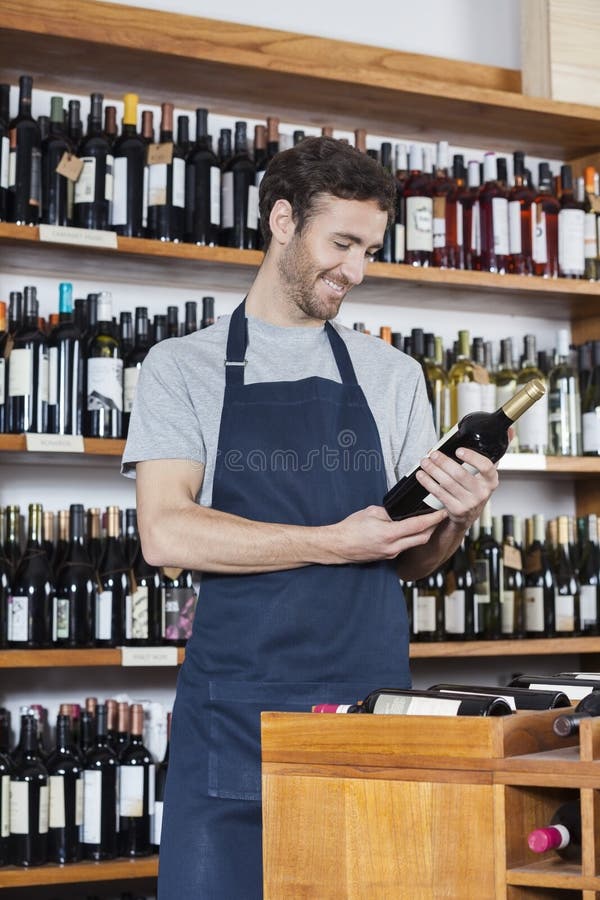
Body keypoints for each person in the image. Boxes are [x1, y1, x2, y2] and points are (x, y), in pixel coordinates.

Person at [121, 136, 498, 898]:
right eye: (343, 243)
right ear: (283, 220)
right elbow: (166, 531)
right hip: (236, 716)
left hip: (368, 712)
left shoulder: (392, 377)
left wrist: (457, 519)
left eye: (370, 249)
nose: (356, 271)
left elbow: (410, 559)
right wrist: (330, 542)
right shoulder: (182, 366)